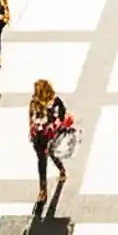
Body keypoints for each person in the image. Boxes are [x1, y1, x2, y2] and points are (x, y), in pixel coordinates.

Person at [28, 79, 69, 209]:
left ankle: (61, 170)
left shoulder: (55, 101)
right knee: (41, 162)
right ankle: (43, 190)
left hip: (50, 135)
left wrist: (53, 125)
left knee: (51, 154)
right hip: (38, 137)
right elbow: (30, 115)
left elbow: (62, 115)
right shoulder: (34, 102)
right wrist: (32, 129)